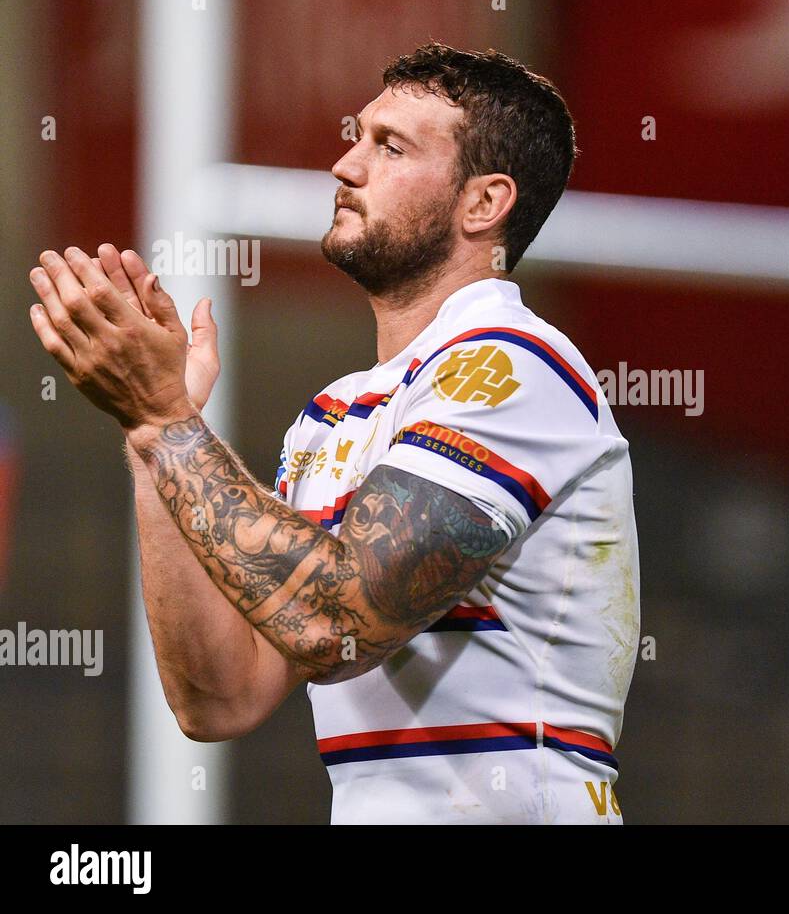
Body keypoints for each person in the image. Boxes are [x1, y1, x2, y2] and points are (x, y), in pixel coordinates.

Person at [27, 42, 639, 824]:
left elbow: (334, 622)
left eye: (389, 147)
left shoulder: (516, 367)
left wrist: (168, 420)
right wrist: (151, 441)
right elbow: (220, 700)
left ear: (483, 204)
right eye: (358, 138)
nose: (345, 168)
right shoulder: (335, 414)